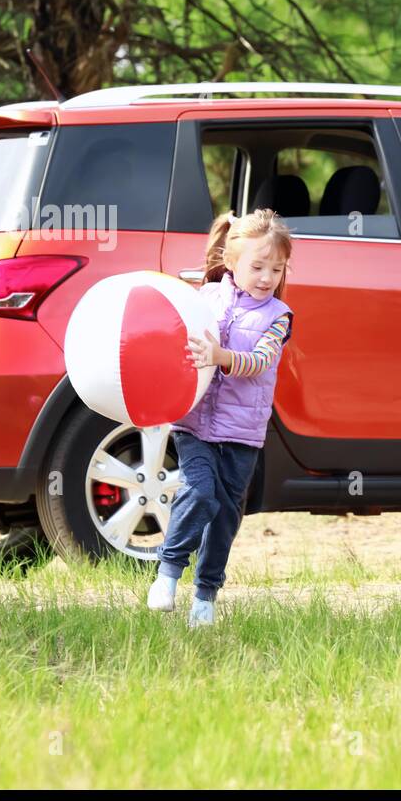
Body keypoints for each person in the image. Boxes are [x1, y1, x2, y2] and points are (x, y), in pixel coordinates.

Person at [146, 208, 294, 627]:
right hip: (193, 424)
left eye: (276, 269)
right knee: (199, 492)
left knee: (226, 515)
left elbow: (260, 362)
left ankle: (205, 595)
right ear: (232, 263)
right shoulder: (204, 298)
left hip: (241, 435)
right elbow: (175, 339)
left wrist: (222, 357)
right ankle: (168, 571)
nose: (267, 277)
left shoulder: (277, 317)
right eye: (258, 266)